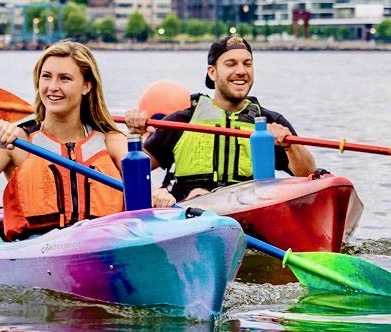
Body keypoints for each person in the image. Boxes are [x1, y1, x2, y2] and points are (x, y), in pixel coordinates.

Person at [0, 40, 128, 239]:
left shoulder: (111, 141)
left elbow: (143, 188)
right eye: (46, 77)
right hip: (34, 247)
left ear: (86, 85)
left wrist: (156, 194)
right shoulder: (18, 142)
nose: (52, 87)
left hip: (101, 244)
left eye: (64, 79)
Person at [124, 34, 316, 205]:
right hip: (190, 214)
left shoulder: (270, 122)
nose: (241, 71)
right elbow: (134, 170)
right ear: (212, 72)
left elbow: (308, 174)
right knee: (198, 193)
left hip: (248, 211)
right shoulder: (181, 121)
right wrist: (135, 135)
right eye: (231, 64)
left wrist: (289, 146)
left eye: (247, 63)